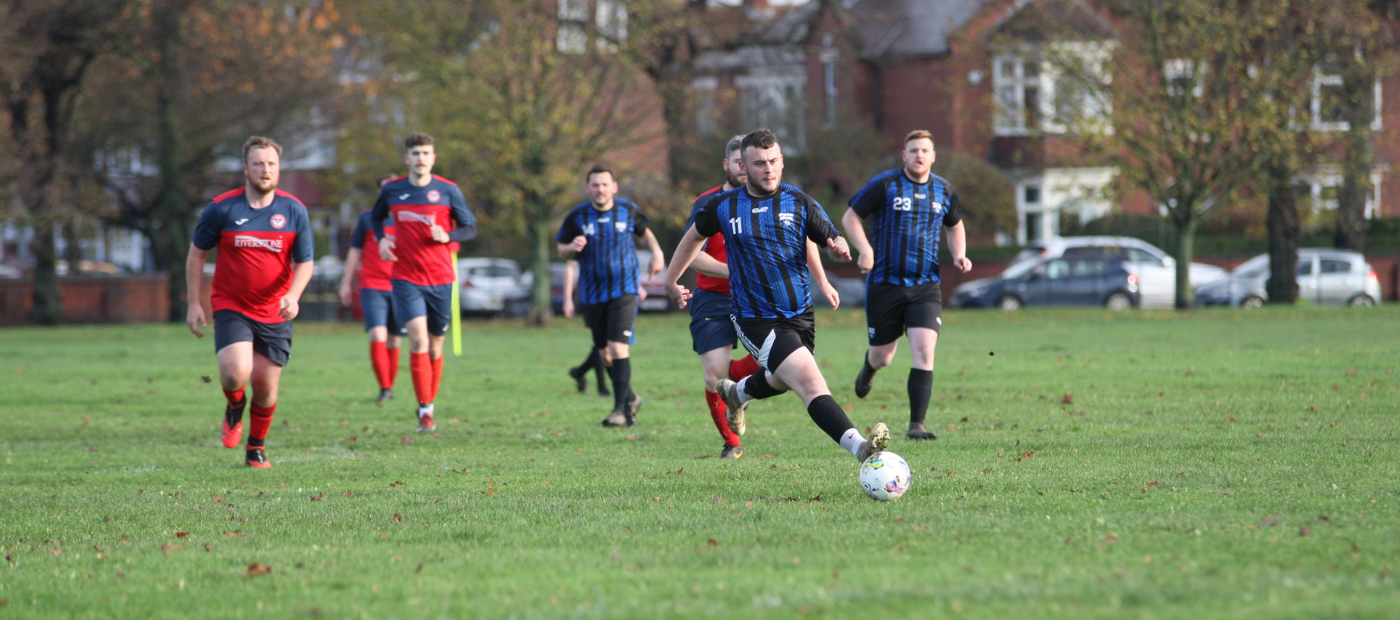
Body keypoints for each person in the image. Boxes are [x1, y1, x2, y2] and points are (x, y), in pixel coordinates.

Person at [663, 128, 890, 463]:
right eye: (758, 163)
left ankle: (737, 393)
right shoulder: (722, 206)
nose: (767, 168)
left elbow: (828, 236)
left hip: (800, 313)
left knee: (782, 379)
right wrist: (671, 280)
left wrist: (838, 247)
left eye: (772, 161)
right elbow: (692, 238)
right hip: (756, 318)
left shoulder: (798, 201)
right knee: (809, 380)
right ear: (743, 167)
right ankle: (860, 447)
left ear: (782, 162)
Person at [681, 135, 840, 459]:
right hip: (715, 297)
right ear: (729, 165)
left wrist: (822, 280)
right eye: (744, 164)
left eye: (764, 162)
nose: (753, 169)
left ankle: (738, 391)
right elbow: (689, 253)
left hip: (769, 304)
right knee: (714, 372)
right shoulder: (710, 204)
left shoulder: (783, 201)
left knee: (783, 371)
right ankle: (732, 443)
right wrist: (736, 272)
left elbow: (806, 237)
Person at [186, 136, 314, 469]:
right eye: (258, 163)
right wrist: (194, 303)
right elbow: (197, 254)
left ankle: (256, 446)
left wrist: (294, 296)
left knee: (265, 385)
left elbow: (306, 262)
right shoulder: (221, 208)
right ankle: (233, 405)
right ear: (246, 169)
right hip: (232, 304)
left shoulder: (294, 209)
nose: (265, 169)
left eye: (271, 163)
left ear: (279, 168)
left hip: (275, 308)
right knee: (235, 373)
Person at [841, 129, 971, 440]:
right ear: (904, 155)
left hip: (925, 286)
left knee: (925, 350)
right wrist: (865, 250)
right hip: (885, 284)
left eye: (925, 150)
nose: (919, 155)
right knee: (883, 355)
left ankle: (916, 425)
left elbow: (955, 226)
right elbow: (850, 218)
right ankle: (869, 369)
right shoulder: (885, 184)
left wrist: (960, 254)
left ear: (933, 156)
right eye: (913, 150)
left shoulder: (944, 191)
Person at [371, 133, 478, 432]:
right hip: (406, 278)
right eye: (415, 153)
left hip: (441, 278)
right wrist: (381, 240)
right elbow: (375, 219)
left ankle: (429, 401)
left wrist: (449, 236)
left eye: (426, 153)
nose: (421, 158)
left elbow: (470, 228)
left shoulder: (448, 190)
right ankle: (424, 412)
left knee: (434, 347)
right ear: (407, 158)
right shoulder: (392, 190)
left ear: (433, 158)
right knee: (417, 340)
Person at [557, 164, 665, 427]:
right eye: (595, 185)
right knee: (604, 354)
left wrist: (657, 252)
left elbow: (645, 234)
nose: (600, 189)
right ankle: (630, 398)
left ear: (613, 187)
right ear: (588, 188)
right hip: (593, 295)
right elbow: (561, 250)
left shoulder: (628, 210)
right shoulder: (577, 216)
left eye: (605, 184)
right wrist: (571, 247)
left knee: (617, 348)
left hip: (624, 290)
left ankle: (619, 410)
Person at [339, 176, 404, 404]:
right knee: (378, 334)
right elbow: (355, 251)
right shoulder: (368, 217)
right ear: (378, 192)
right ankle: (384, 388)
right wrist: (346, 283)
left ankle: (390, 385)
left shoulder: (405, 217)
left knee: (395, 340)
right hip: (372, 285)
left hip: (400, 285)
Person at [562, 260, 610, 398]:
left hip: (613, 296)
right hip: (591, 297)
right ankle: (602, 389)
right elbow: (570, 266)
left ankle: (579, 372)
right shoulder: (584, 238)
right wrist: (568, 298)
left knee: (608, 344)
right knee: (600, 342)